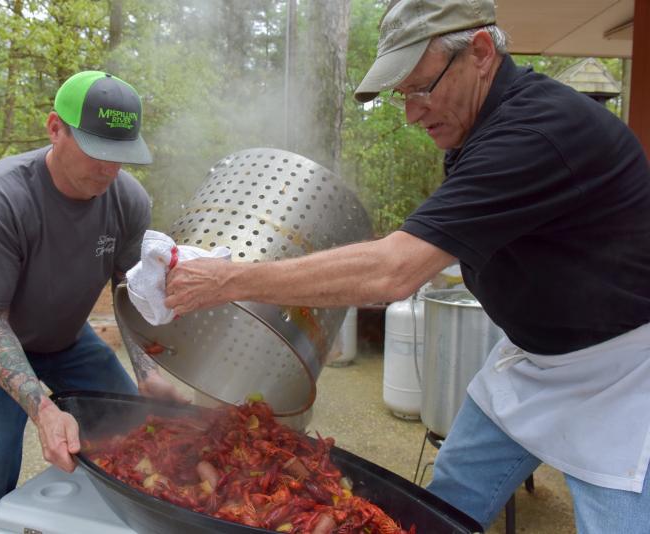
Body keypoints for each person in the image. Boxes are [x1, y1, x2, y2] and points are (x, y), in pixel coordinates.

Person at [164, 1, 650, 532]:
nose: (412, 112)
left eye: (421, 88)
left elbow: (393, 272)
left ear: (482, 53)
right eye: (402, 96)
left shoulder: (538, 131)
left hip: (622, 374)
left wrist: (229, 279)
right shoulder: (475, 128)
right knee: (444, 506)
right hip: (529, 361)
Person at [0, 70, 186, 534]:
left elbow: (128, 294)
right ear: (56, 128)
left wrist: (148, 372)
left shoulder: (129, 200)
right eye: (98, 152)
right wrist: (45, 411)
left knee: (129, 422)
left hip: (66, 338)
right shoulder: (1, 199)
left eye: (122, 156)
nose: (110, 170)